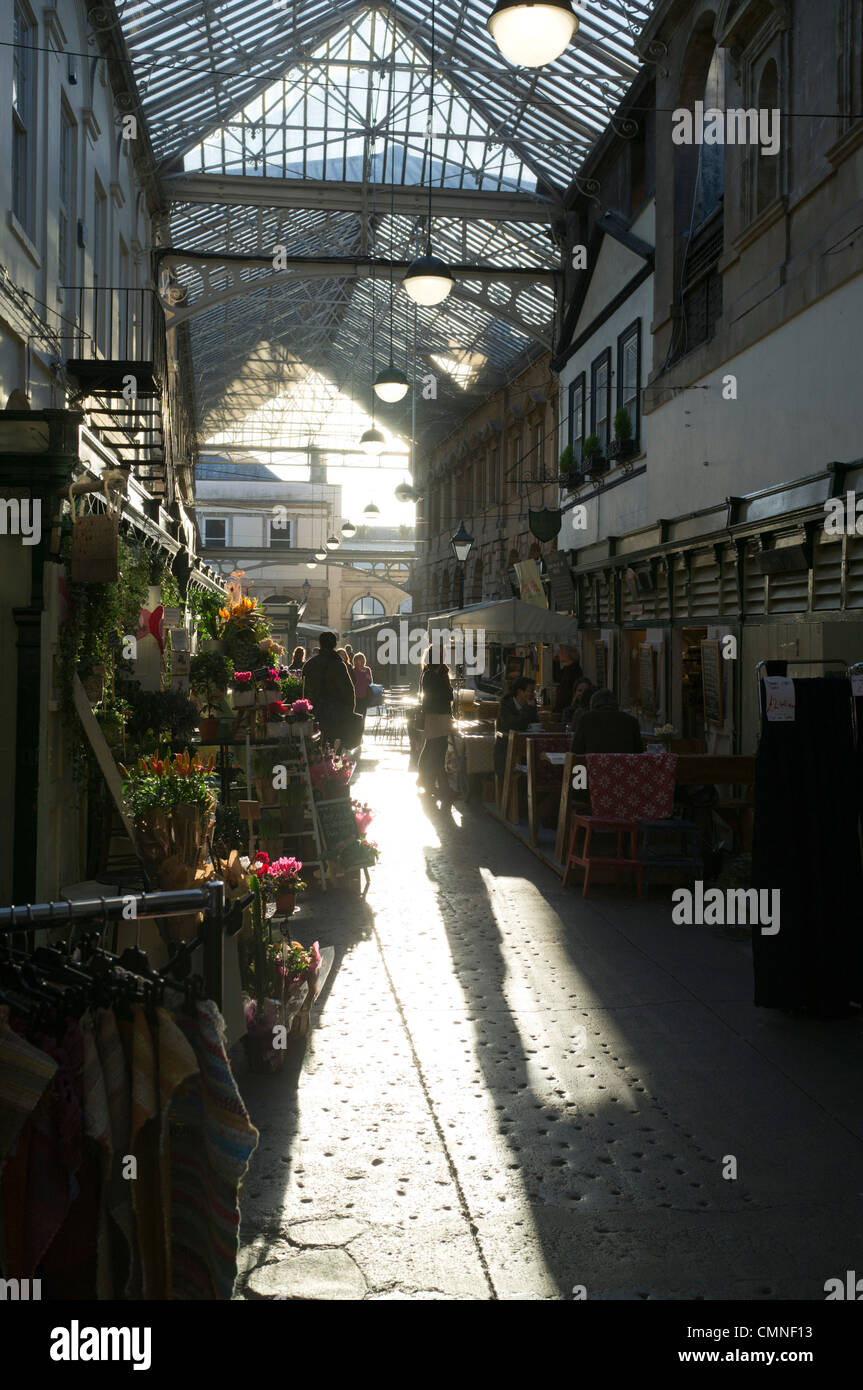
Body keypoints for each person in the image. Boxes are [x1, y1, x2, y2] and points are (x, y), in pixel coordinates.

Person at [302, 631, 357, 751]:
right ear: (335, 644)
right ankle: (333, 766)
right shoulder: (338, 665)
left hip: (313, 711)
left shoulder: (310, 664)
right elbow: (348, 690)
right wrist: (349, 710)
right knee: (332, 748)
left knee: (313, 748)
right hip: (336, 713)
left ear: (320, 644)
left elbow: (303, 689)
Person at [417, 649, 454, 806]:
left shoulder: (439, 673)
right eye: (441, 655)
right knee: (437, 752)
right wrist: (447, 691)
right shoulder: (431, 675)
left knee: (433, 750)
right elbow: (446, 695)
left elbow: (448, 695)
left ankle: (426, 782)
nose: (444, 657)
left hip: (441, 716)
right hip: (434, 716)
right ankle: (439, 787)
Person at [570, 688, 643, 755]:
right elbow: (639, 753)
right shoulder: (631, 721)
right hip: (624, 768)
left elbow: (576, 751)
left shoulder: (585, 719)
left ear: (592, 704)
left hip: (592, 768)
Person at [494, 676, 537, 781]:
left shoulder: (530, 706)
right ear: (520, 692)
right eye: (530, 691)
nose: (532, 694)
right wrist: (529, 709)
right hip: (506, 754)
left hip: (524, 752)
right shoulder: (506, 704)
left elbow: (536, 724)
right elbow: (512, 724)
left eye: (533, 691)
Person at [553, 645, 584, 715]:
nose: (558, 654)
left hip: (567, 708)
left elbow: (568, 691)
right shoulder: (568, 669)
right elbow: (557, 677)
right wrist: (556, 663)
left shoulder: (574, 670)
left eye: (560, 651)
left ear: (566, 653)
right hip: (564, 708)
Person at [351, 652, 373, 735]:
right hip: (356, 696)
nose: (362, 661)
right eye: (360, 660)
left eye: (363, 659)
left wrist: (369, 678)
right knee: (356, 714)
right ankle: (356, 731)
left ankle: (361, 732)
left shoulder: (367, 669)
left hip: (365, 695)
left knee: (363, 714)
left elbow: (371, 682)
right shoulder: (353, 670)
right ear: (355, 661)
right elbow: (354, 682)